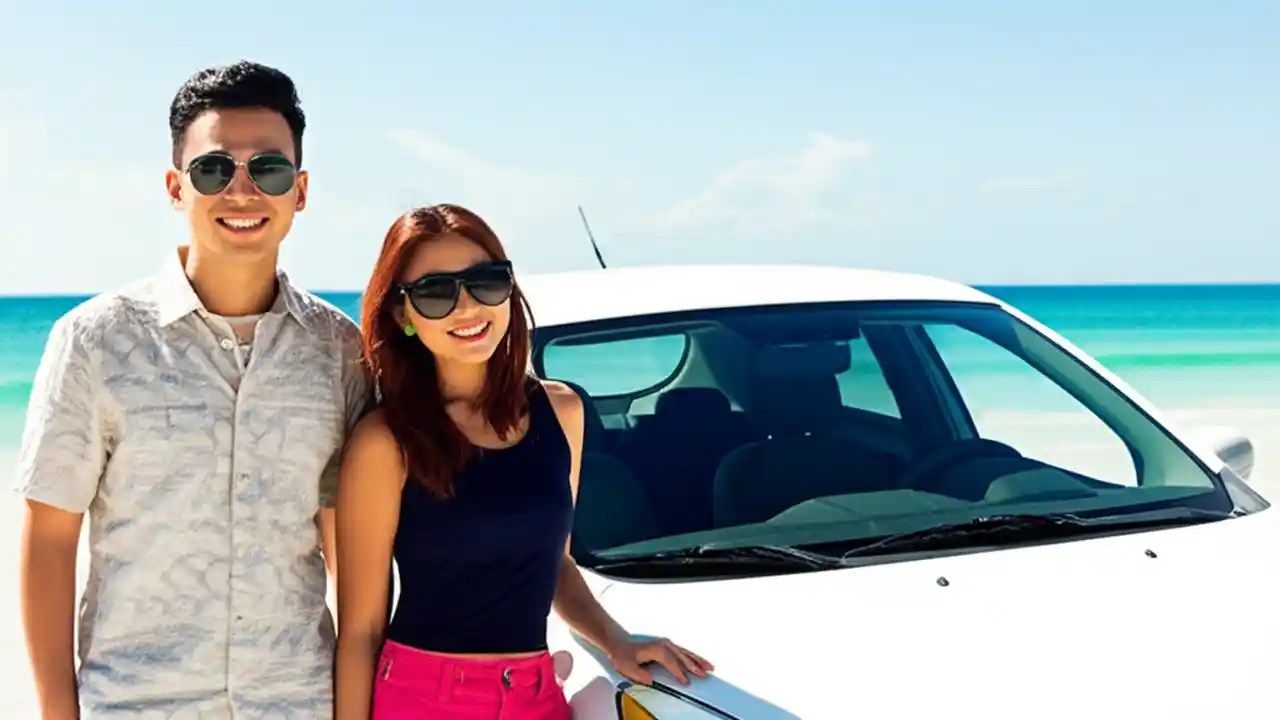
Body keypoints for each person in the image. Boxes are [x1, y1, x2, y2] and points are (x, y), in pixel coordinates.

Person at [13, 60, 370, 718]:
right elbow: (50, 540)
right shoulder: (93, 341)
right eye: (214, 169)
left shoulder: (339, 351)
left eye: (269, 169)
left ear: (301, 190)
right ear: (177, 188)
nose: (242, 191)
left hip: (297, 704)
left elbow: (352, 553)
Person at [334, 204, 713, 719]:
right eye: (436, 293)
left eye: (486, 281)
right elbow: (360, 631)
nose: (467, 308)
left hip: (537, 699)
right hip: (423, 700)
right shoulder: (385, 441)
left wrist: (615, 640)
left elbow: (552, 563)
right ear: (402, 314)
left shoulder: (561, 412)